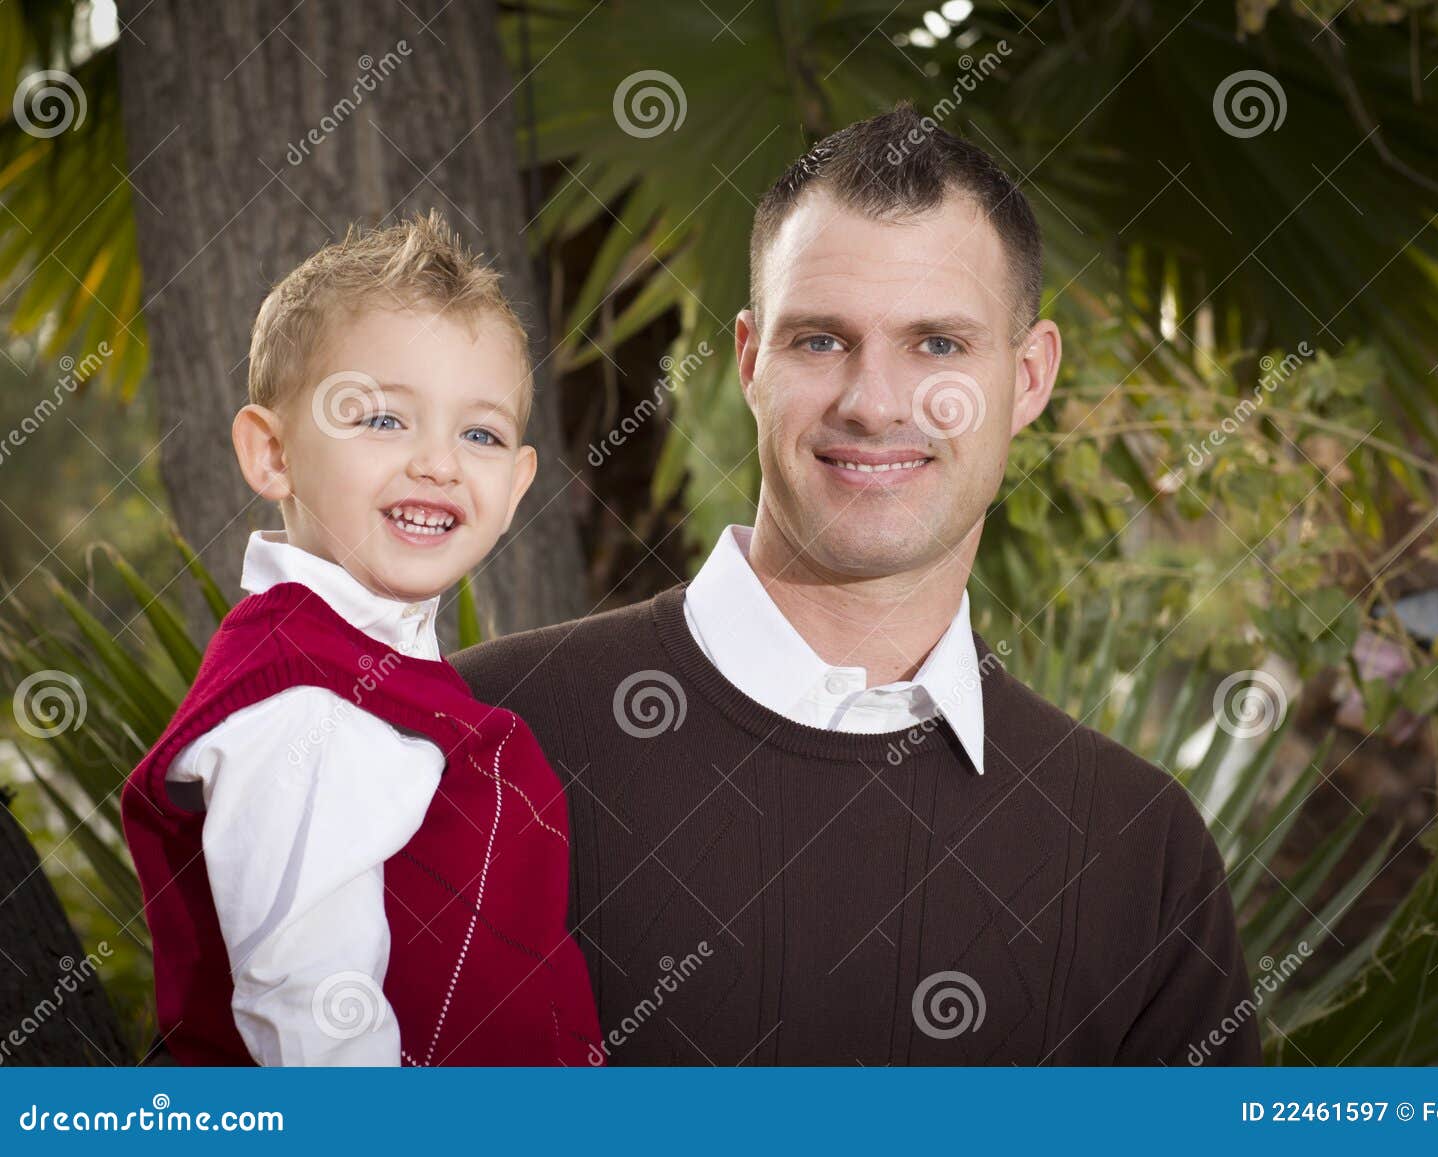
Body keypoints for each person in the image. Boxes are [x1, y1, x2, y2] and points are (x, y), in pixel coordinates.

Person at [451, 105, 1262, 1065]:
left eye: (940, 346)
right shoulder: (481, 736)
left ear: (1030, 375)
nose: (874, 403)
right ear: (751, 361)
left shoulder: (1135, 847)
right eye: (822, 341)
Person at [121, 211, 600, 1066]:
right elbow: (311, 1015)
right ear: (272, 455)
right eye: (382, 420)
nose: (439, 463)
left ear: (519, 481)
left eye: (480, 434)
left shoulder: (382, 673)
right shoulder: (302, 703)